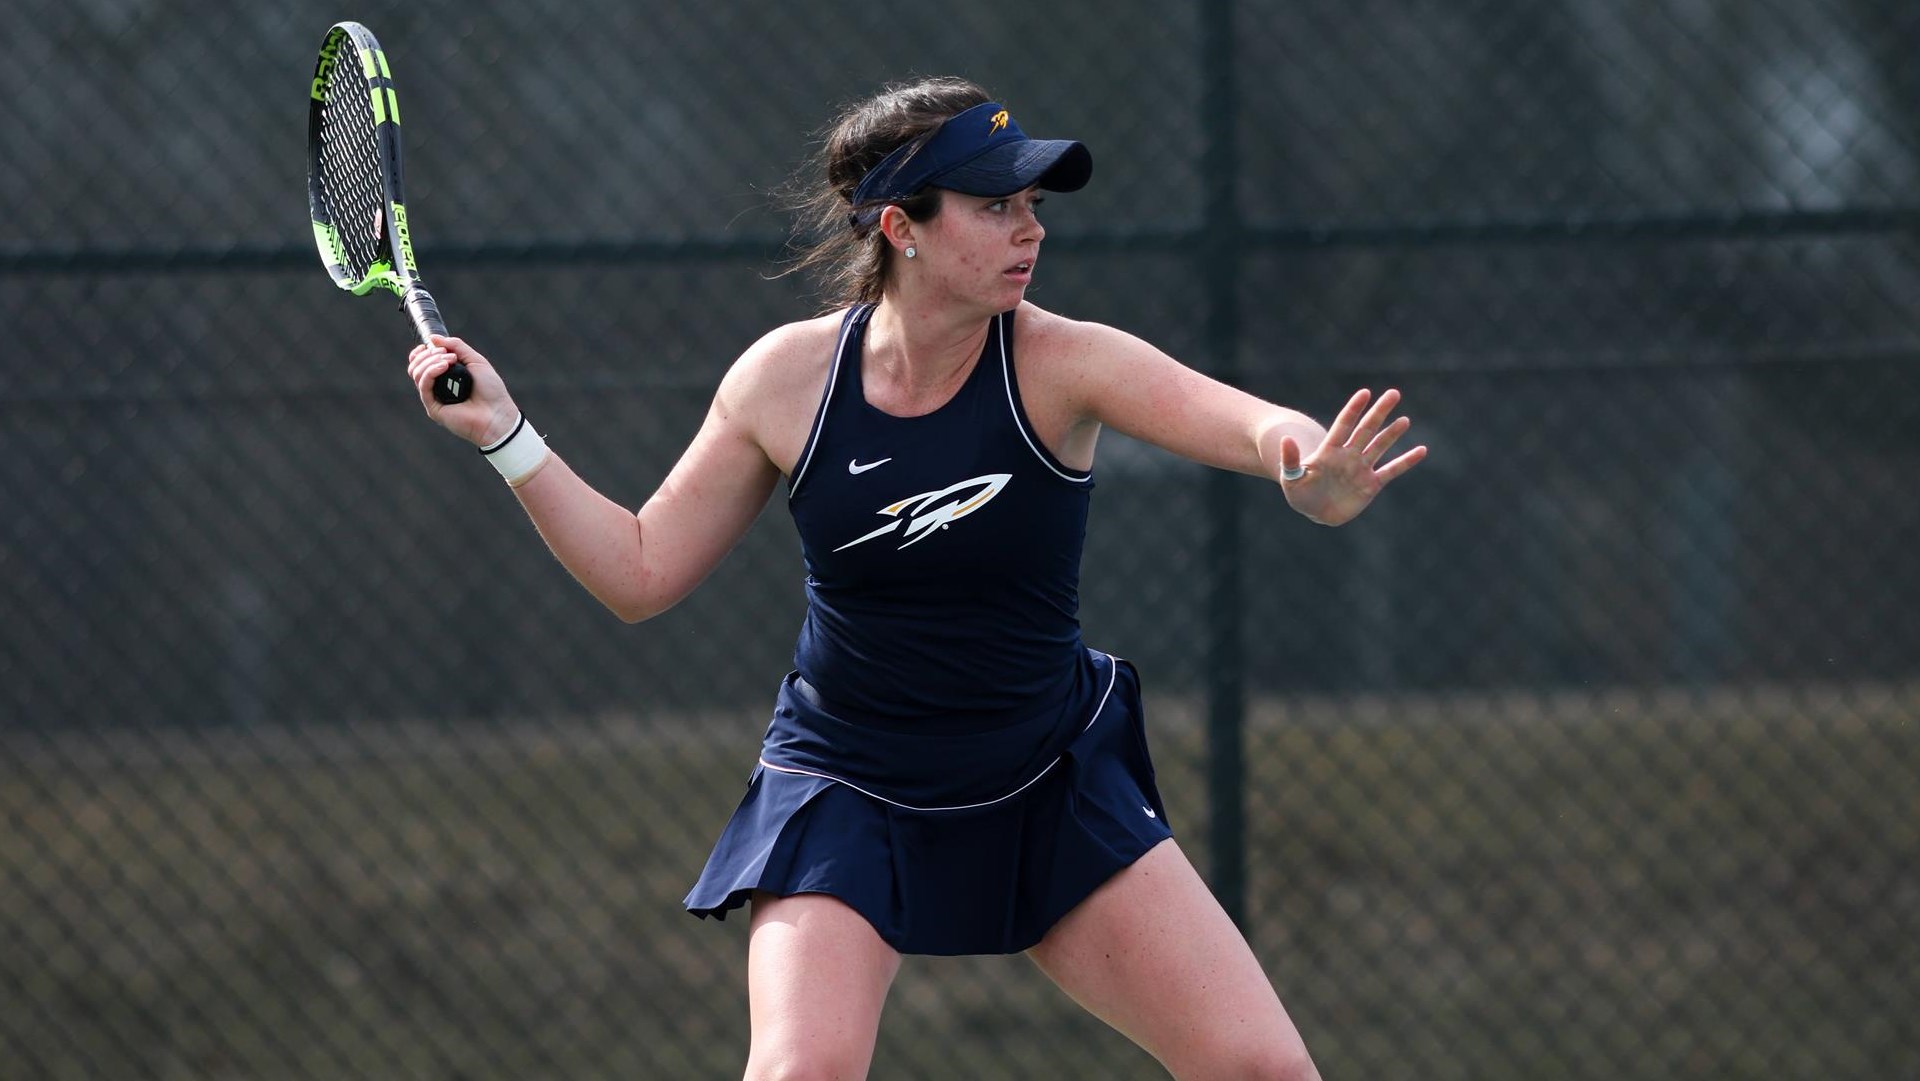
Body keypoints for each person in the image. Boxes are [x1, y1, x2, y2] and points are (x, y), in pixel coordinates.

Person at [407, 75, 1424, 1081]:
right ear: (902, 226)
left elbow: (1257, 426)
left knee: (1263, 1070)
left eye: (1032, 205)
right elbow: (638, 570)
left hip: (1044, 775)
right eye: (995, 206)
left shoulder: (1064, 363)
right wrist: (506, 433)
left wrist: (1312, 472)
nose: (1030, 230)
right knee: (801, 1070)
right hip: (847, 785)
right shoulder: (785, 380)